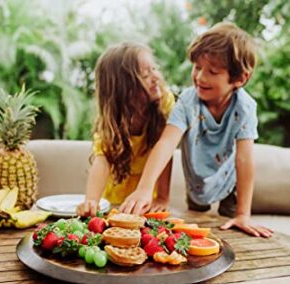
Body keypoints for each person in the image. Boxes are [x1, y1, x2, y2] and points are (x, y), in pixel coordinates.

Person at [120, 23, 273, 238]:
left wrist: (243, 214)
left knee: (232, 231)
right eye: (197, 67)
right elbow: (165, 144)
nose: (200, 77)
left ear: (240, 79)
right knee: (194, 226)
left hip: (230, 183)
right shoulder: (187, 101)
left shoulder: (245, 108)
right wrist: (147, 189)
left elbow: (244, 160)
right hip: (197, 182)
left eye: (212, 71)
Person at [76, 42, 175, 217]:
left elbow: (165, 151)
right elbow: (103, 160)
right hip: (114, 198)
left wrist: (162, 197)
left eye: (154, 68)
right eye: (145, 75)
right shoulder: (111, 119)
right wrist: (92, 200)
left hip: (145, 197)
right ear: (125, 89)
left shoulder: (164, 103)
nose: (156, 77)